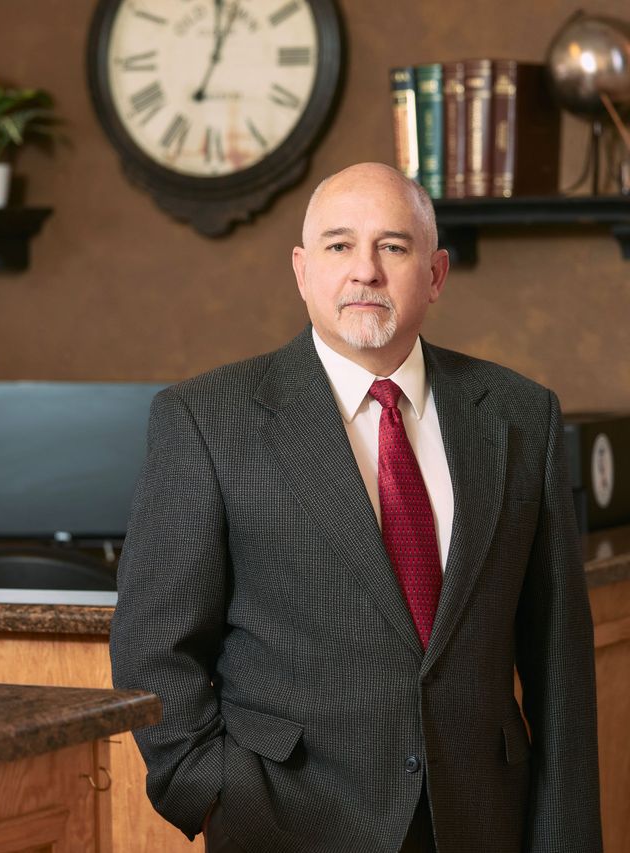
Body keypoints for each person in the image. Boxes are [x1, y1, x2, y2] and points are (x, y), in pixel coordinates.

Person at [110, 162, 602, 853]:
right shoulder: (206, 419)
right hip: (286, 822)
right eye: (339, 245)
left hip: (483, 818)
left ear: (435, 274)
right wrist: (214, 788)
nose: (365, 270)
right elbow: (153, 645)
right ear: (302, 270)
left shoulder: (522, 416)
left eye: (392, 247)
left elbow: (558, 661)